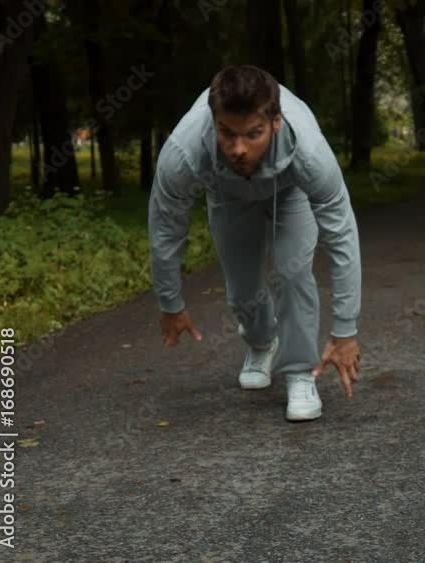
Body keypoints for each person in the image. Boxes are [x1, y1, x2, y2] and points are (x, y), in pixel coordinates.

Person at [148, 65, 362, 421]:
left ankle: (299, 373)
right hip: (226, 194)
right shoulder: (184, 154)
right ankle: (262, 343)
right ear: (212, 120)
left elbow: (342, 235)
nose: (238, 149)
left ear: (275, 122)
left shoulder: (309, 153)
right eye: (226, 134)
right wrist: (170, 302)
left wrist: (345, 331)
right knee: (243, 288)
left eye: (253, 134)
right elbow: (166, 227)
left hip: (291, 192)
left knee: (292, 274)